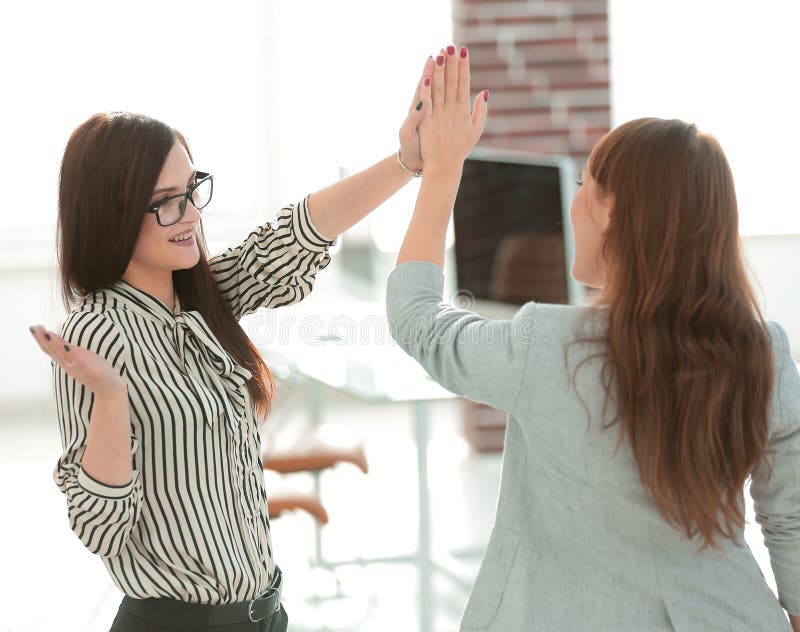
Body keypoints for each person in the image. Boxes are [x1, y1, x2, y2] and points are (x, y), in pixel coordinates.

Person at [386, 45, 800, 631]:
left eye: (585, 183)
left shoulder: (547, 345)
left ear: (612, 212)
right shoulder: (764, 351)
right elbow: (791, 518)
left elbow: (417, 320)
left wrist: (443, 169)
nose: (573, 201)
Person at [28, 55, 434, 632]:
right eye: (165, 201)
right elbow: (98, 527)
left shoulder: (197, 295)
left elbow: (298, 234)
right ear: (111, 215)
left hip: (263, 613)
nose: (190, 214)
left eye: (192, 190)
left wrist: (406, 163)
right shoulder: (97, 333)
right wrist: (112, 402)